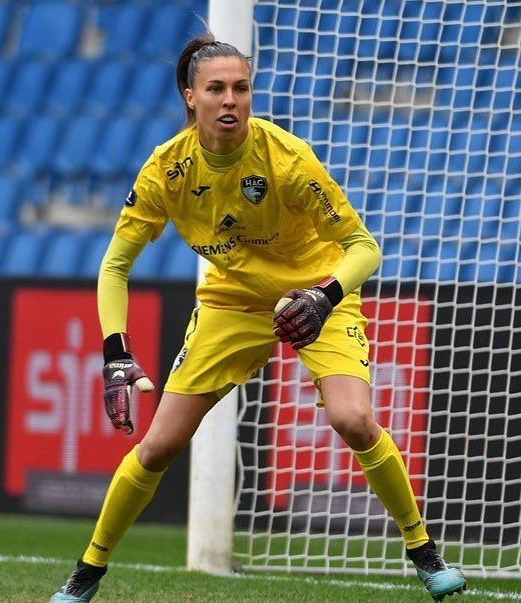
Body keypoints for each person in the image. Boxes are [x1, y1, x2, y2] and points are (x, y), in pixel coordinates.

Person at [49, 33, 467, 603]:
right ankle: (87, 574)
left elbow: (363, 246)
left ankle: (424, 553)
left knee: (354, 420)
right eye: (216, 88)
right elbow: (116, 264)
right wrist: (115, 352)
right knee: (159, 445)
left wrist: (324, 296)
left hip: (316, 296)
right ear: (189, 96)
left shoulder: (286, 158)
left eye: (241, 88)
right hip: (229, 302)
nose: (230, 100)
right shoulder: (166, 170)